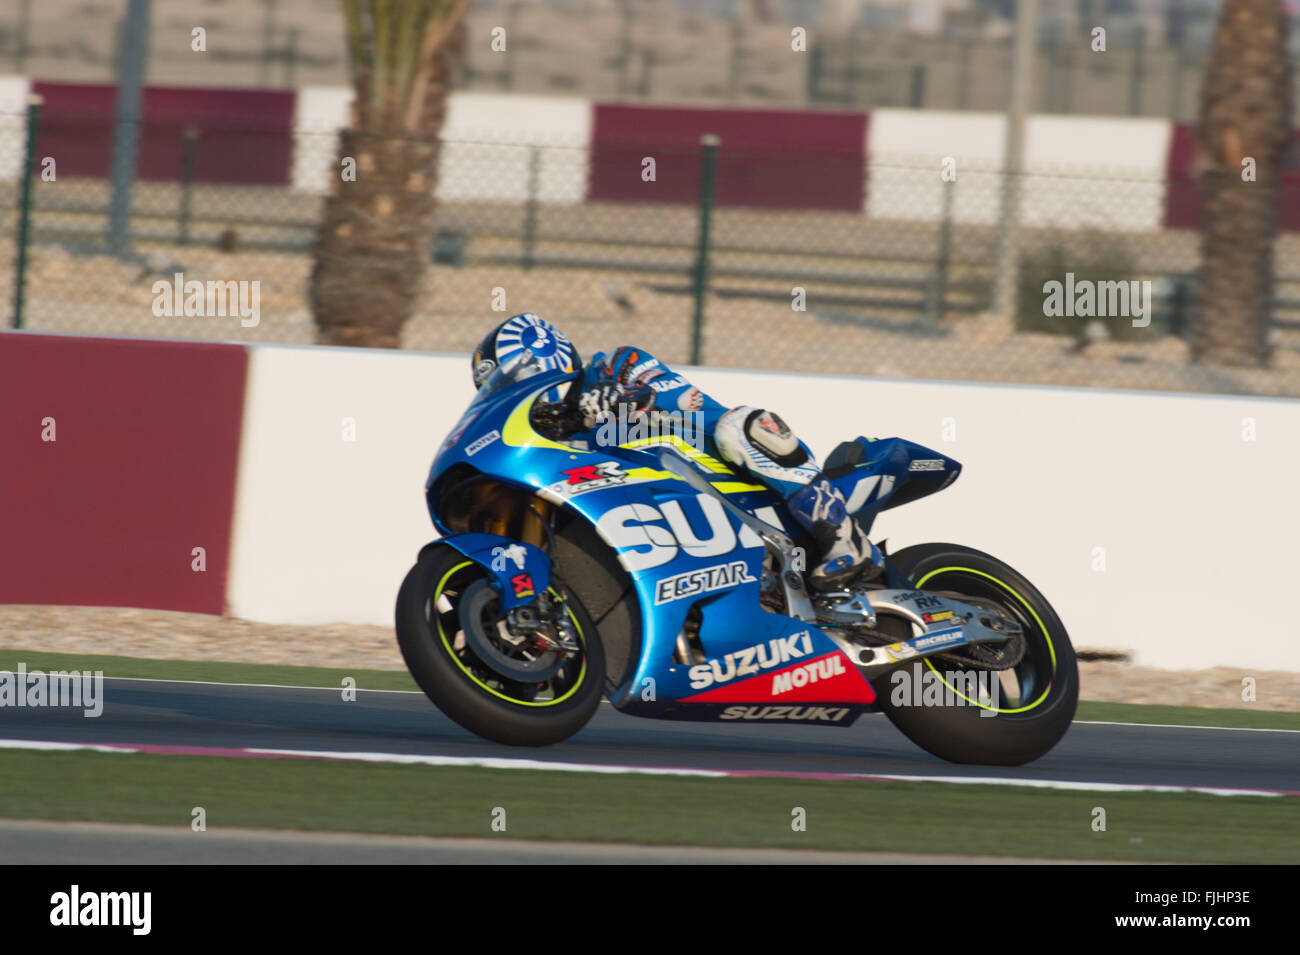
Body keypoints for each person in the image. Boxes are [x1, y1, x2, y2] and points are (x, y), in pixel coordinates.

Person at [471, 313, 882, 589]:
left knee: (739, 425)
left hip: (713, 468)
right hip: (658, 517)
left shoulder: (613, 364)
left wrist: (617, 396)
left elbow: (669, 395)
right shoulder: (546, 440)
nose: (510, 391)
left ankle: (844, 539)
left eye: (513, 377)